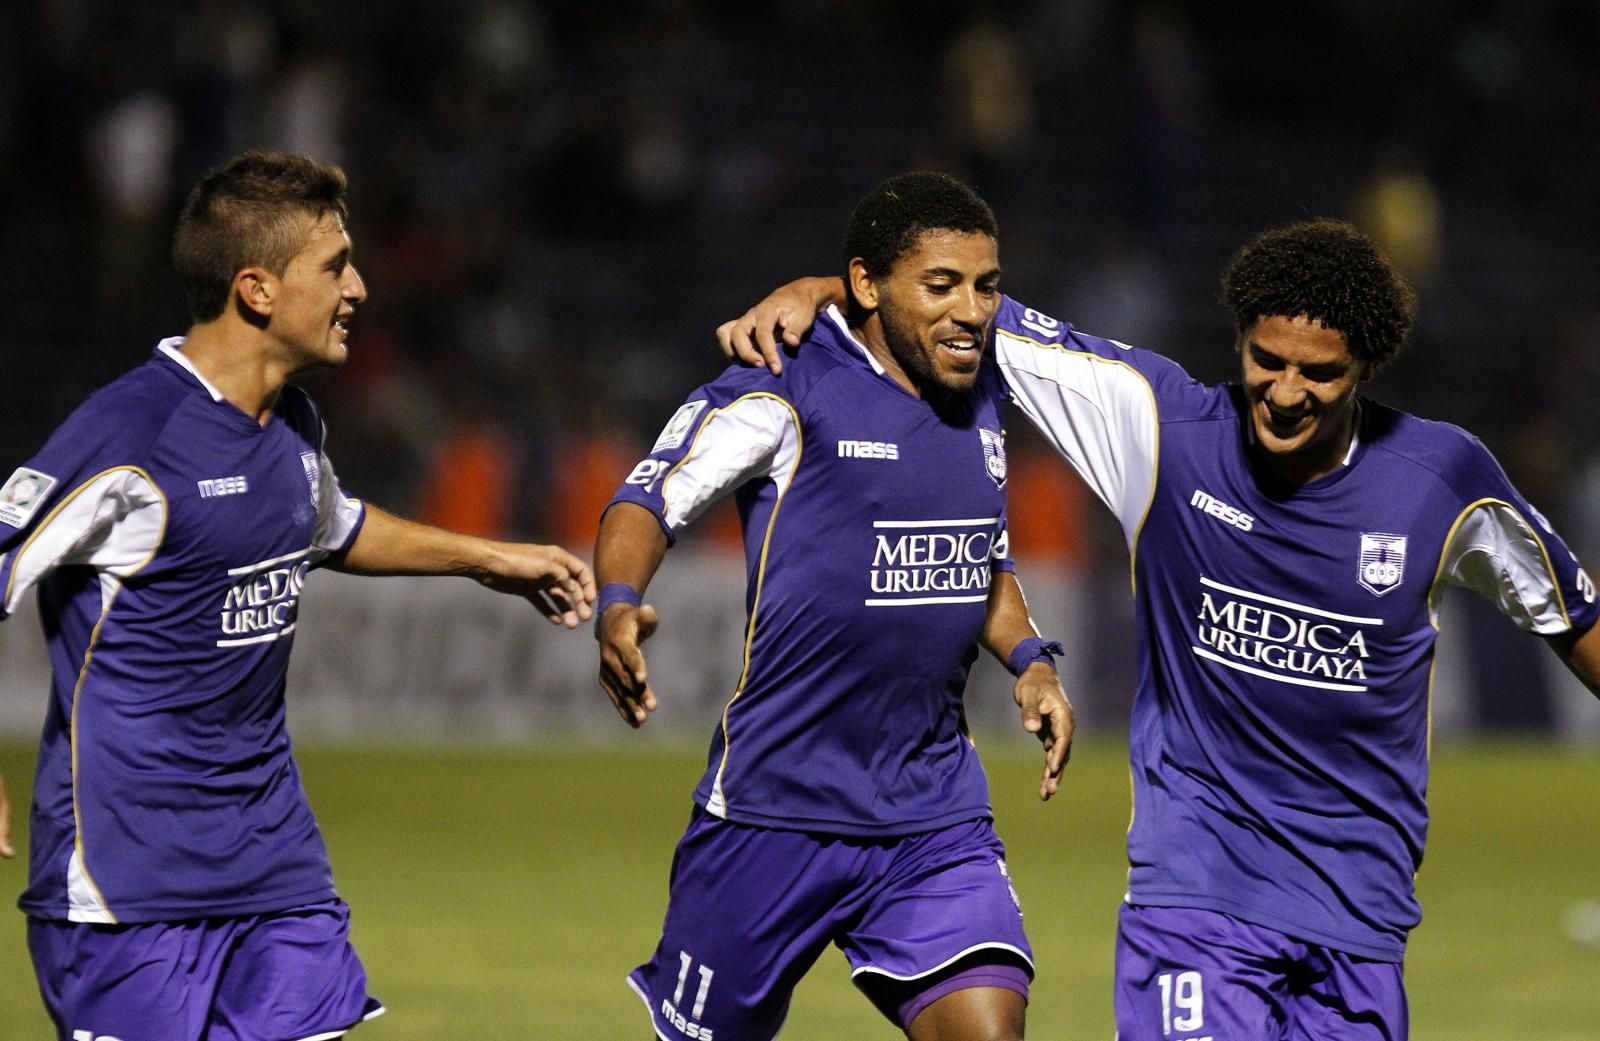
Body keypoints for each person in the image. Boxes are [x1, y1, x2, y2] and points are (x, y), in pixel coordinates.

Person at [719, 217, 1600, 1040]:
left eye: (1319, 374)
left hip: (1361, 920)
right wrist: (829, 288)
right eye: (1267, 360)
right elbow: (970, 312)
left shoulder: (1441, 478)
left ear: (1367, 367)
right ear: (1239, 339)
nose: (1285, 393)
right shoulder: (1158, 425)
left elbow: (1573, 614)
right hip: (1195, 901)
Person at [0, 150, 596, 1041]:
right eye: (335, 267)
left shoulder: (293, 424)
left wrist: (490, 559)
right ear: (257, 289)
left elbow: (335, 524)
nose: (358, 288)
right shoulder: (130, 436)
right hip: (129, 885)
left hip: (276, 869)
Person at [594, 171, 1074, 1041]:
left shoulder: (990, 387)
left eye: (987, 285)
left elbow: (980, 563)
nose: (972, 309)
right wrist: (619, 601)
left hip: (931, 813)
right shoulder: (786, 387)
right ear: (866, 284)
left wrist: (1032, 660)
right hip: (773, 811)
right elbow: (647, 499)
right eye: (941, 285)